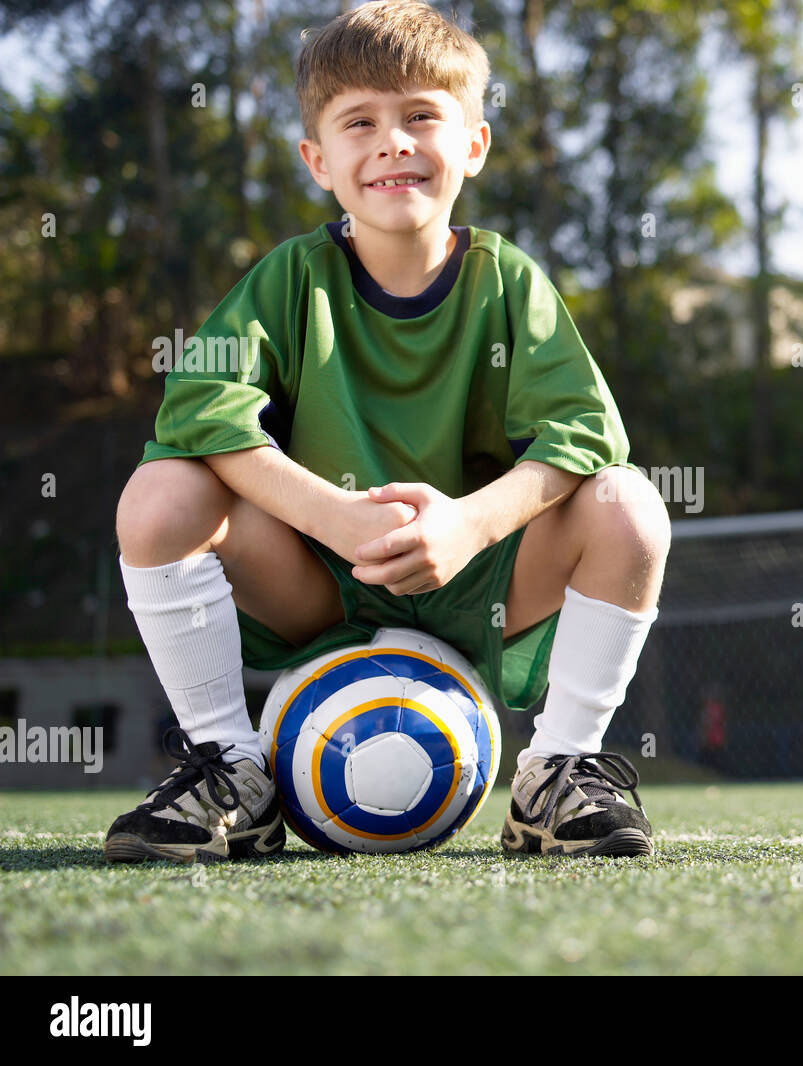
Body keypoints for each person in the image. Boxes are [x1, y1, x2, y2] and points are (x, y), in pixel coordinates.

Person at [105, 0, 670, 864]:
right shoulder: (289, 280)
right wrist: (334, 517)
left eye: (421, 117)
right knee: (161, 492)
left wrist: (468, 523)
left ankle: (559, 771)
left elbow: (585, 434)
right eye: (359, 121)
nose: (393, 142)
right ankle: (230, 770)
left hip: (478, 586)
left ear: (474, 145)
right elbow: (199, 413)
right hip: (321, 581)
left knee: (629, 504)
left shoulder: (510, 283)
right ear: (318, 159)